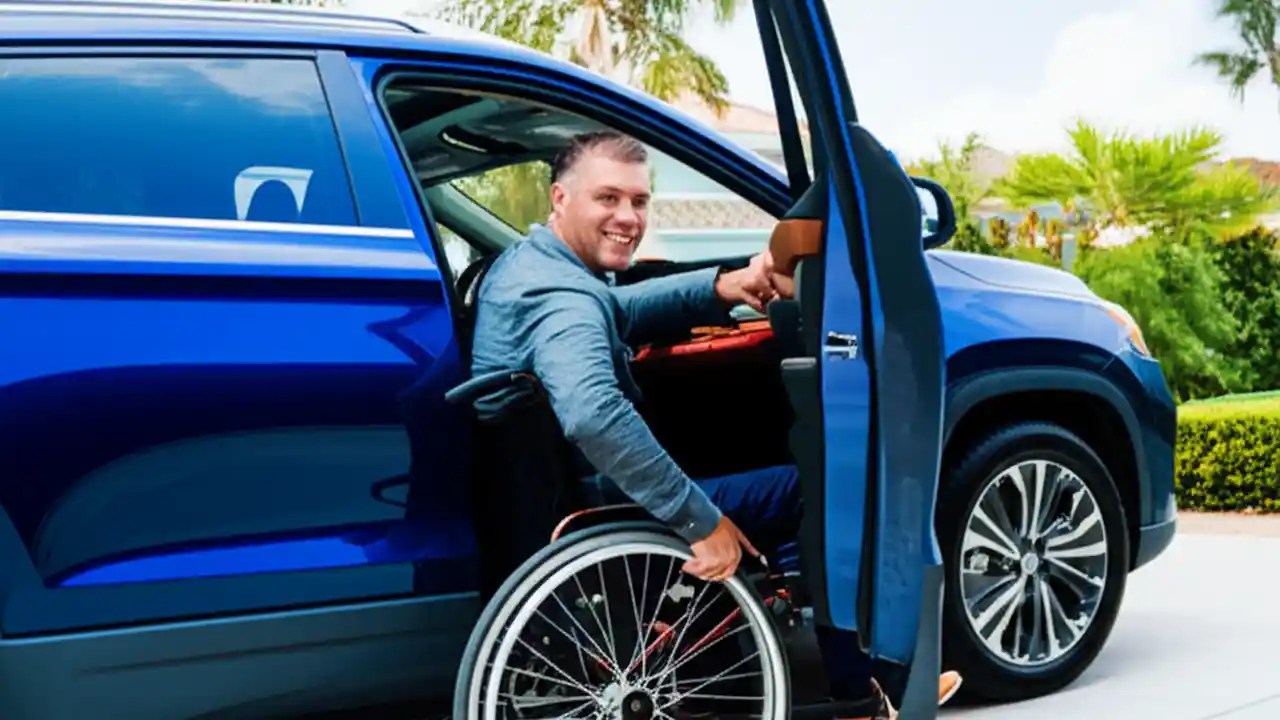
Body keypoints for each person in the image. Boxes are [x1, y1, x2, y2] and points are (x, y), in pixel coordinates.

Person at [469, 130, 959, 719]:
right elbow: (594, 412)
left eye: (639, 201)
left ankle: (769, 650)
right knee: (817, 492)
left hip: (560, 496)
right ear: (560, 198)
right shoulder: (560, 296)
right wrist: (701, 521)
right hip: (607, 506)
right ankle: (857, 692)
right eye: (608, 199)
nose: (628, 217)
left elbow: (618, 311)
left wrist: (723, 287)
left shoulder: (532, 269)